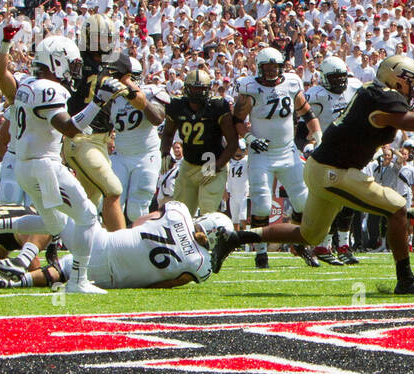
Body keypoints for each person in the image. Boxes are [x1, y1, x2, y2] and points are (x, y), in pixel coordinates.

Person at [211, 54, 414, 296]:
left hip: (324, 168)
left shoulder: (374, 92)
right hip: (334, 172)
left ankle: (234, 238)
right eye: (411, 83)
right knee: (397, 207)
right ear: (397, 79)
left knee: (308, 234)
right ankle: (405, 280)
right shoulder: (381, 98)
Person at [0, 35, 118, 294]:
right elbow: (70, 129)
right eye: (71, 65)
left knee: (55, 225)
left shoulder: (27, 84)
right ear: (56, 61)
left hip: (24, 165)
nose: (74, 71)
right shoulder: (49, 89)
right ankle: (78, 280)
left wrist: (6, 44)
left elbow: (1, 74)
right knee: (86, 215)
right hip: (45, 166)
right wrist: (98, 103)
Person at [0, 201, 225, 290]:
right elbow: (165, 283)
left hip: (105, 244)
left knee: (56, 217)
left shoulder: (178, 211)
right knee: (60, 272)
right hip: (113, 279)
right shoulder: (200, 267)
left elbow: (138, 222)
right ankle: (13, 282)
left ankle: (15, 251)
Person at [233, 47, 321, 270]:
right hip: (261, 154)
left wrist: (317, 133)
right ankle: (261, 253)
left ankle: (297, 243)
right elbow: (237, 119)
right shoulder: (250, 88)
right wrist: (250, 137)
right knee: (262, 204)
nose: (271, 71)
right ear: (259, 68)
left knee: (302, 201)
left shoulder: (291, 83)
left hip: (287, 151)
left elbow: (306, 112)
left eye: (275, 67)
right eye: (267, 67)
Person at [62, 13, 132, 232]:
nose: (102, 42)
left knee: (86, 203)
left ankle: (59, 244)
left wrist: (134, 94)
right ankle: (122, 249)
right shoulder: (74, 57)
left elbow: (130, 89)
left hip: (101, 140)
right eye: (98, 37)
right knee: (112, 189)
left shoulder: (119, 61)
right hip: (80, 137)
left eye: (106, 37)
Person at [305, 56, 364, 263]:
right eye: (334, 78)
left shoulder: (355, 88)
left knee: (350, 201)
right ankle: (323, 246)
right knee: (331, 201)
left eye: (341, 77)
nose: (339, 82)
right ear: (323, 78)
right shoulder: (315, 95)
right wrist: (309, 142)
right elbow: (303, 125)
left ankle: (344, 246)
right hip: (327, 153)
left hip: (352, 152)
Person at [161, 68, 238, 218]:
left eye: (201, 89)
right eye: (194, 89)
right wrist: (165, 152)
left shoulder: (217, 107)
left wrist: (217, 165)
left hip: (210, 161)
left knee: (207, 211)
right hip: (188, 163)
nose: (197, 93)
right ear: (186, 89)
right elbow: (168, 133)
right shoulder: (176, 105)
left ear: (208, 89)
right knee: (179, 214)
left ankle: (208, 240)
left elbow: (233, 142)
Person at [108, 57, 169, 221]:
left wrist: (135, 94)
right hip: (120, 155)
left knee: (137, 208)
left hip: (145, 155)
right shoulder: (111, 96)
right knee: (112, 203)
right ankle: (114, 244)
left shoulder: (149, 92)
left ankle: (140, 244)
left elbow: (158, 118)